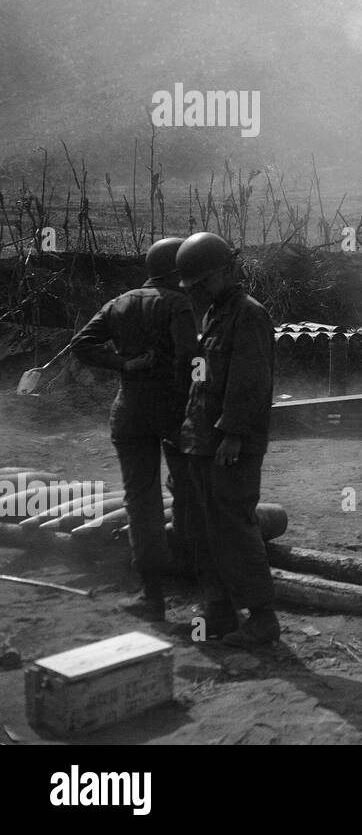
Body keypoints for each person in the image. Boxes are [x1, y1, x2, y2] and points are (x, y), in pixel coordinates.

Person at [69, 237, 198, 621]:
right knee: (190, 494)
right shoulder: (180, 304)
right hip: (175, 411)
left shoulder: (120, 302)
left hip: (129, 411)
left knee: (140, 503)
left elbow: (82, 344)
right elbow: (190, 358)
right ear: (178, 270)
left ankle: (152, 596)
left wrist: (125, 365)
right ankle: (198, 583)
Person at [176, 232, 279, 648]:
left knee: (235, 527)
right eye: (193, 286)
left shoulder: (248, 315)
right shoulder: (215, 314)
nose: (198, 291)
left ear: (226, 271)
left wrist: (233, 432)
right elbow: (203, 380)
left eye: (203, 282)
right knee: (204, 528)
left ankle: (262, 618)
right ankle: (218, 610)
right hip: (202, 440)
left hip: (230, 443)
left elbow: (250, 381)